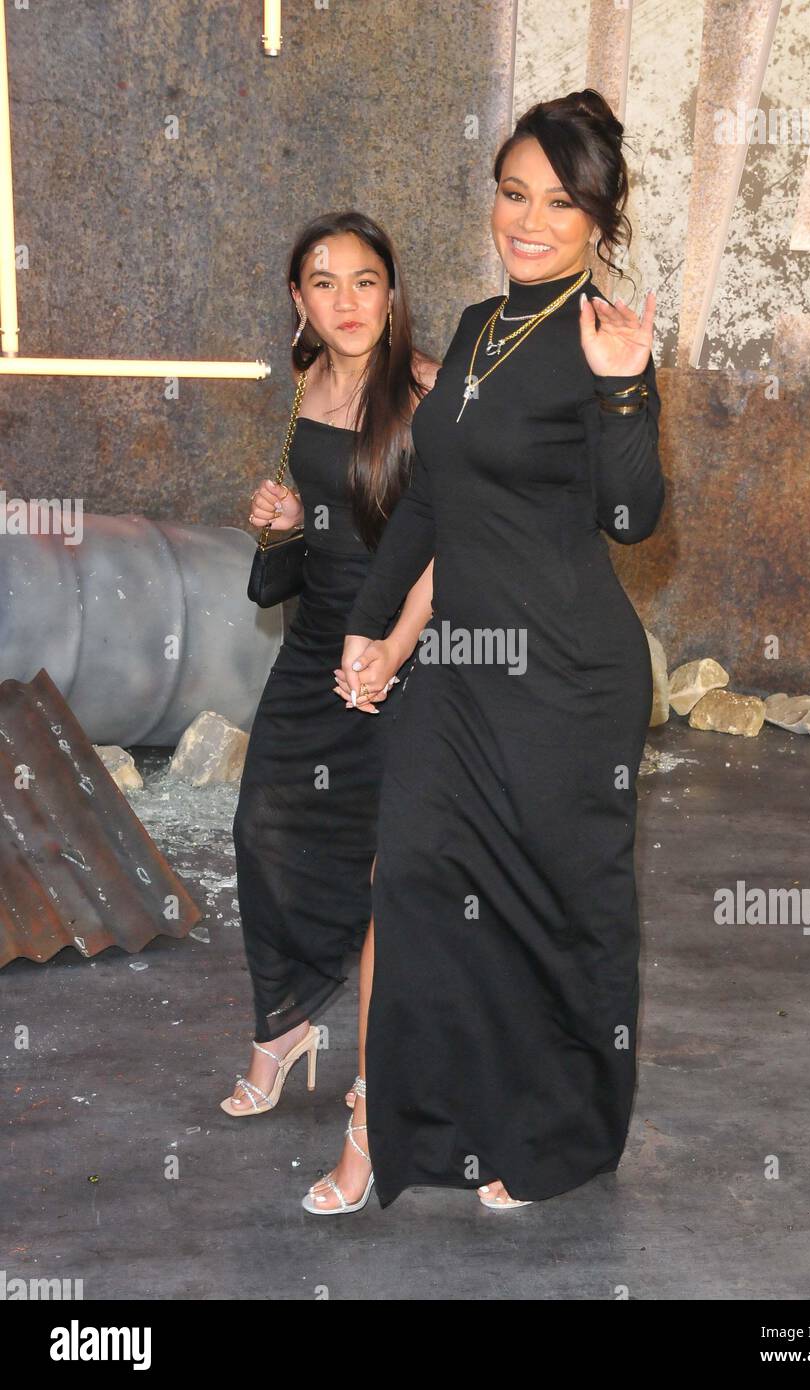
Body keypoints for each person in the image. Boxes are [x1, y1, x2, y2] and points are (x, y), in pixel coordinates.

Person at [312, 89, 664, 1215]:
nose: (529, 220)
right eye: (515, 193)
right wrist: (371, 624)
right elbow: (428, 502)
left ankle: (553, 1134)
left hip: (568, 679)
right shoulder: (472, 325)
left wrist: (625, 395)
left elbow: (633, 518)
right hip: (458, 667)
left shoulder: (603, 337)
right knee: (416, 879)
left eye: (560, 203)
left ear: (598, 220)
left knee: (554, 906)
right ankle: (425, 1122)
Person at [223, 213, 438, 1154]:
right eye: (323, 283)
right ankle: (286, 1023)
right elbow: (328, 517)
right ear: (297, 302)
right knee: (264, 826)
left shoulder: (427, 392)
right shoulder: (308, 381)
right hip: (316, 645)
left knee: (392, 864)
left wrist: (390, 649)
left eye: (364, 280)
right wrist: (284, 518)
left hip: (409, 648)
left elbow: (447, 544)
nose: (346, 301)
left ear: (391, 291)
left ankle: (379, 1082)